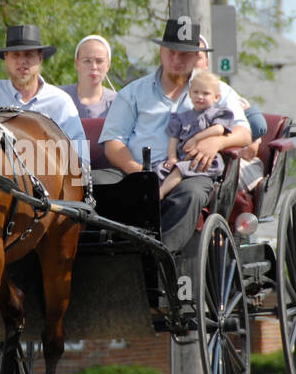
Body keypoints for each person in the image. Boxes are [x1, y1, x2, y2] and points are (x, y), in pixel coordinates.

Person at [100, 18, 252, 252]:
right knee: (97, 184)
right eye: (171, 52)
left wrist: (218, 141)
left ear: (196, 56)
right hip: (139, 171)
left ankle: (161, 257)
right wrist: (137, 171)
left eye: (185, 54)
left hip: (192, 172)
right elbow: (113, 143)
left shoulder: (214, 90)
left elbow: (244, 133)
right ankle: (104, 259)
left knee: (189, 194)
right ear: (161, 51)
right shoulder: (132, 93)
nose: (177, 59)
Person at [0, 24, 90, 177]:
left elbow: (80, 158)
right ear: (6, 58)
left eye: (28, 55)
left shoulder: (60, 102)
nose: (22, 61)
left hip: (48, 189)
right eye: (16, 55)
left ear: (40, 58)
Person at [195, 33, 268, 193]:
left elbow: (251, 145)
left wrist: (218, 143)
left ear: (206, 62)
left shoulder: (223, 92)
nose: (191, 62)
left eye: (197, 57)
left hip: (229, 161)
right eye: (184, 56)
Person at [157, 71, 236, 200]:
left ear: (216, 97)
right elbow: (174, 139)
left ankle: (161, 193)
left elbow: (218, 129)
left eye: (206, 93)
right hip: (183, 159)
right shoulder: (181, 117)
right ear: (189, 94)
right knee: (159, 170)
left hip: (203, 162)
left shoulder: (216, 114)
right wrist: (172, 157)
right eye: (196, 92)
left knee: (178, 170)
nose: (200, 96)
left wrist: (196, 138)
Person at [60, 34, 117, 118]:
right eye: (87, 61)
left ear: (108, 65)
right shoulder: (60, 97)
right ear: (77, 64)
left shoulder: (117, 103)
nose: (94, 67)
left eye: (99, 61)